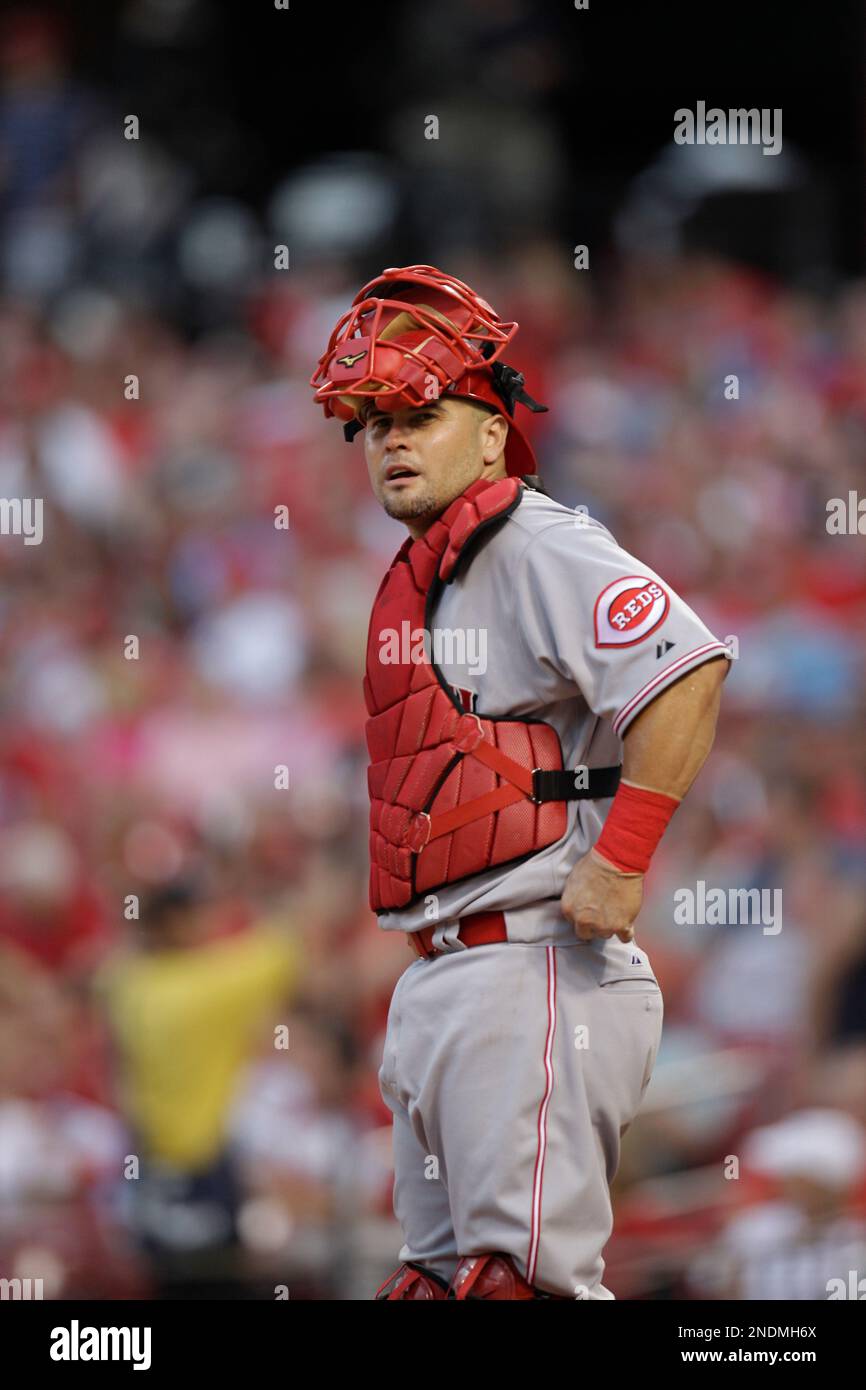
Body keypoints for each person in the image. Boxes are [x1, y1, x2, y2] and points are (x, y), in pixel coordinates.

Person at [310, 264, 731, 1299]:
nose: (391, 439)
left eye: (416, 410)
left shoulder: (537, 542)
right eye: (369, 423)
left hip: (537, 966)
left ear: (493, 430)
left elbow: (686, 668)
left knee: (517, 1285)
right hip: (447, 976)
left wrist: (623, 858)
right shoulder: (431, 573)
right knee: (432, 1284)